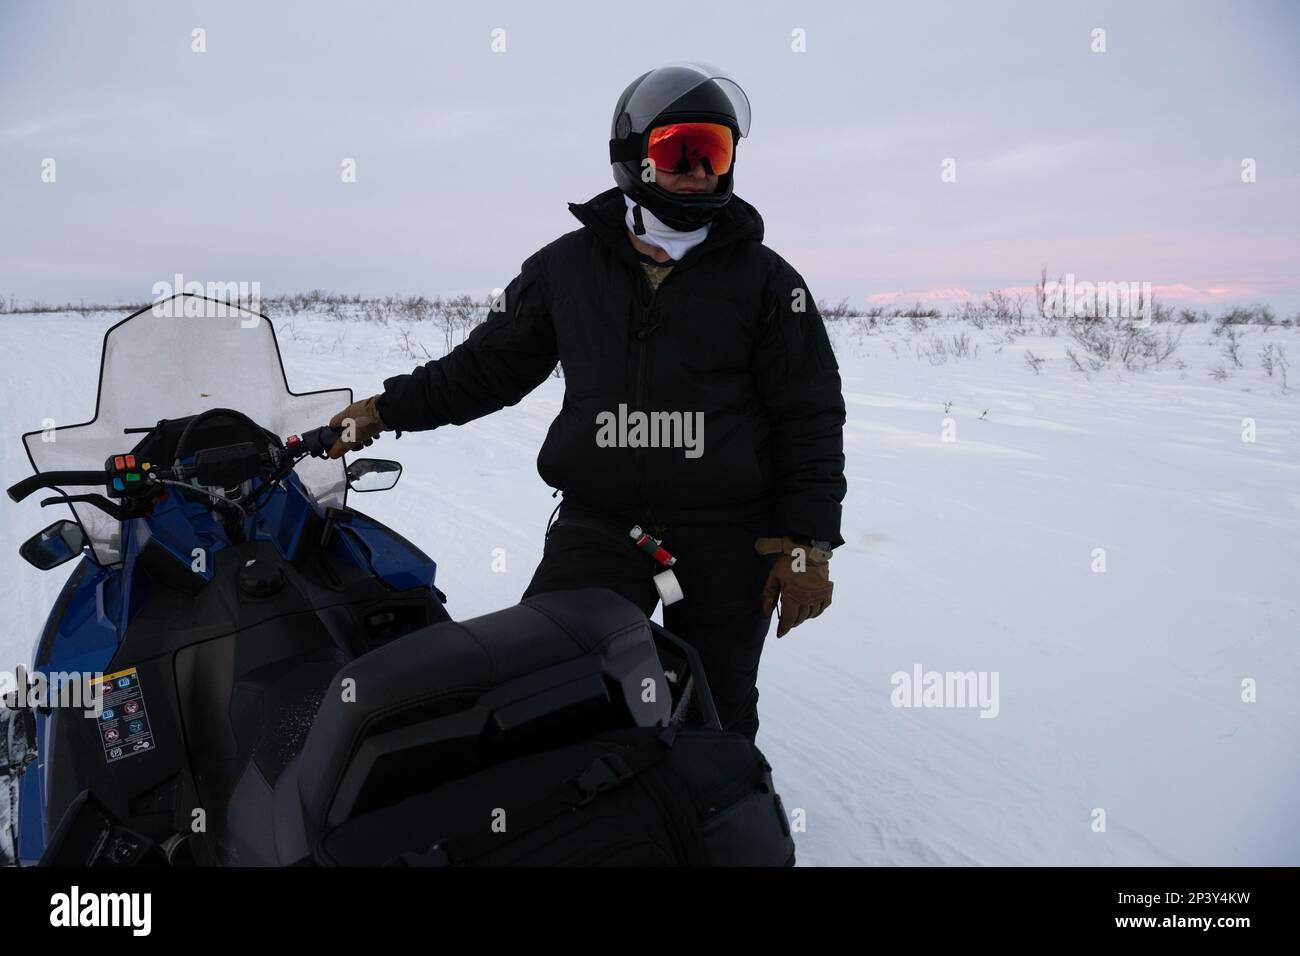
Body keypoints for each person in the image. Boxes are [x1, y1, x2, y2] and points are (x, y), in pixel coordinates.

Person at [328, 62, 846, 742]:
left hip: (729, 533)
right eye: (679, 151)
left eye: (714, 153)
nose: (699, 172)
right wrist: (381, 410)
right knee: (547, 682)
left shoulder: (770, 282)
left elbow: (809, 416)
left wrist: (807, 544)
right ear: (635, 157)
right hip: (603, 524)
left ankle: (715, 824)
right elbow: (484, 370)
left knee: (716, 708)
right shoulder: (564, 270)